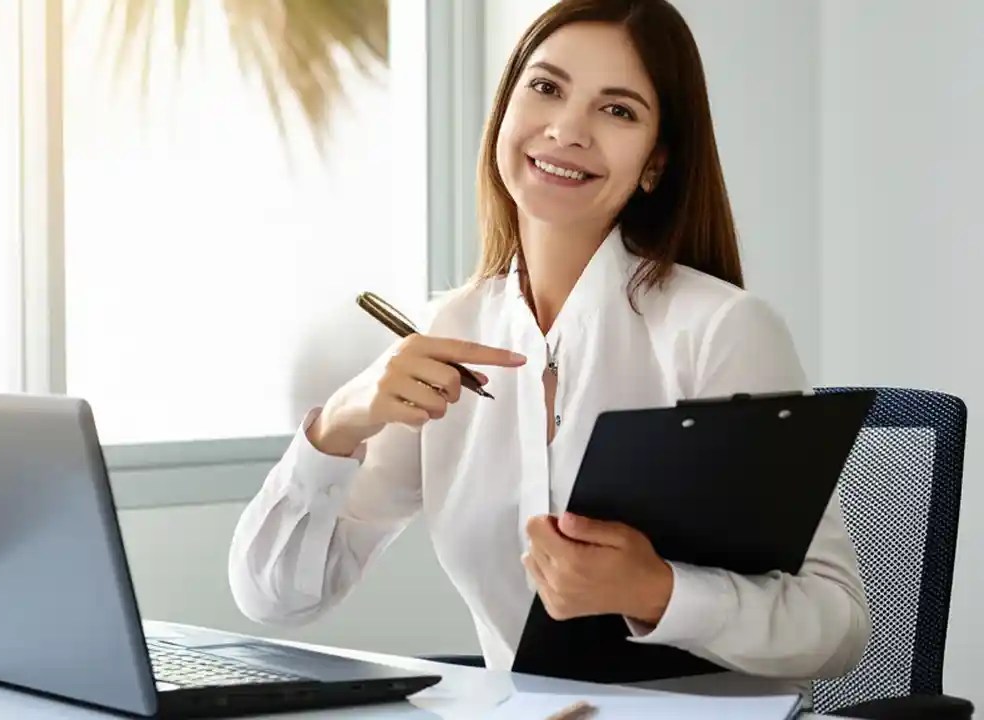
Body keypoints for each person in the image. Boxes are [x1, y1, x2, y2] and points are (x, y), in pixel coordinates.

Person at [228, 0, 869, 697]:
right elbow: (279, 597)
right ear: (504, 112)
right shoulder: (450, 333)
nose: (567, 129)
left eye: (617, 110)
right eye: (546, 88)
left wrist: (659, 591)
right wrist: (341, 422)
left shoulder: (720, 331)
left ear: (656, 162)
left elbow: (836, 629)